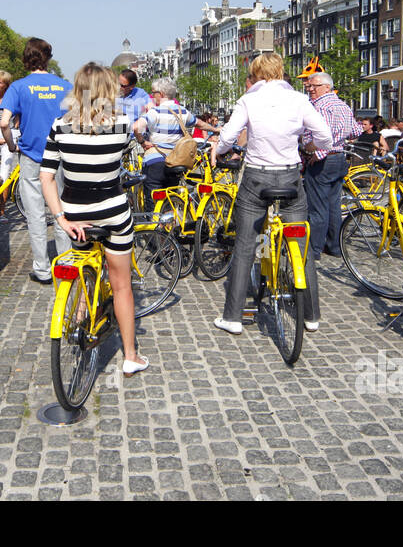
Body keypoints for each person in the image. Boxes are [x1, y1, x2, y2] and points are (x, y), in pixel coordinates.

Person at [210, 53, 338, 335]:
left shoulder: (249, 100)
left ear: (255, 74)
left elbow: (229, 137)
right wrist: (309, 147)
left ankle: (232, 317)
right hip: (291, 176)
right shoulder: (299, 100)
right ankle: (311, 315)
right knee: (301, 246)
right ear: (280, 72)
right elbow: (326, 137)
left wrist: (217, 150)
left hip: (257, 176)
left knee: (245, 245)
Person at [40, 63, 145, 375]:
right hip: (113, 212)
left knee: (85, 266)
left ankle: (81, 311)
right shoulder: (122, 124)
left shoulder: (60, 125)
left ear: (77, 89)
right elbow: (126, 154)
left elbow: (46, 178)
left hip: (75, 216)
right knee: (122, 285)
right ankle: (130, 355)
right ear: (109, 90)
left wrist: (60, 218)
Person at [1, 37, 73, 284]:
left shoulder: (18, 87)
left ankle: (42, 269)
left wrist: (12, 146)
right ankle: (66, 262)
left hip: (31, 155)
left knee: (35, 215)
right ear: (48, 58)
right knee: (61, 209)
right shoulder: (65, 86)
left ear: (26, 59)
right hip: (60, 156)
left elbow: (3, 123)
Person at [132, 78, 219, 208]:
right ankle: (171, 223)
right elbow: (200, 124)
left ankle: (155, 225)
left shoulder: (155, 112)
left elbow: (135, 127)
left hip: (155, 161)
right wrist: (215, 129)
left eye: (153, 93)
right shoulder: (182, 111)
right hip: (175, 161)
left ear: (161, 94)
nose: (152, 96)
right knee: (171, 200)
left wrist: (142, 142)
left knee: (153, 203)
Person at [301, 72, 360, 261]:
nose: (310, 90)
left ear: (327, 87)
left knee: (317, 206)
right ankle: (334, 246)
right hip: (339, 158)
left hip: (323, 160)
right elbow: (356, 131)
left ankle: (314, 249)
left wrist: (316, 154)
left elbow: (323, 137)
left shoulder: (319, 106)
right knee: (334, 205)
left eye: (314, 86)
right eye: (309, 86)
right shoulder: (343, 105)